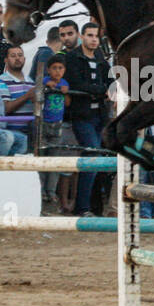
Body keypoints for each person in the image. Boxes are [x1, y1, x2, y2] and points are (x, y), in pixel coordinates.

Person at [64, 22, 111, 214]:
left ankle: (90, 206)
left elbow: (111, 81)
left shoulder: (101, 58)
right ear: (82, 36)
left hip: (99, 116)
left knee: (95, 159)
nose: (93, 39)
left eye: (96, 36)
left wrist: (104, 90)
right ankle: (82, 207)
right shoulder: (72, 58)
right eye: (90, 35)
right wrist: (103, 91)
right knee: (93, 157)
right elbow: (77, 83)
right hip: (82, 116)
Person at [38, 55, 76, 210]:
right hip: (43, 124)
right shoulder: (45, 80)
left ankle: (51, 191)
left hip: (57, 125)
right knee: (41, 158)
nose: (58, 71)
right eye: (54, 68)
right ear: (48, 70)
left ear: (64, 70)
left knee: (54, 158)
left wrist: (65, 92)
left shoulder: (65, 83)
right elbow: (42, 85)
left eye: (61, 68)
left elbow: (67, 103)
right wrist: (50, 85)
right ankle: (41, 191)